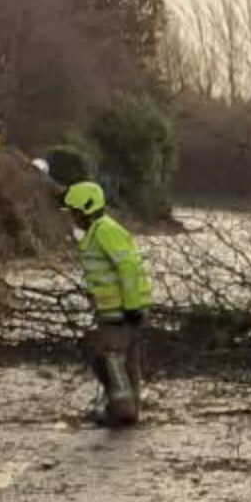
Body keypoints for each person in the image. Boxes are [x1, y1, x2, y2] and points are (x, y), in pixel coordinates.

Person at [64, 182, 152, 426]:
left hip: (119, 312)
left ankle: (122, 410)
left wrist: (131, 307)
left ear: (86, 210)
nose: (72, 217)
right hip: (120, 310)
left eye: (74, 211)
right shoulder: (101, 230)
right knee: (127, 361)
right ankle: (129, 408)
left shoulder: (103, 230)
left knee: (107, 356)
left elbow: (128, 266)